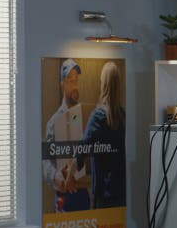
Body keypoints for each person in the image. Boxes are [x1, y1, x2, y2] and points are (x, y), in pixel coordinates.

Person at [68, 61, 126, 209]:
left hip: (104, 194)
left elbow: (83, 147)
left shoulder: (99, 115)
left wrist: (70, 176)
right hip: (122, 192)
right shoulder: (123, 115)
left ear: (103, 84)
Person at [43, 58, 90, 212]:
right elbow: (45, 163)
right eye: (70, 81)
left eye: (76, 81)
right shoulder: (54, 122)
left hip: (84, 194)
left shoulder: (87, 117)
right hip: (65, 199)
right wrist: (56, 176)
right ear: (62, 84)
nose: (74, 86)